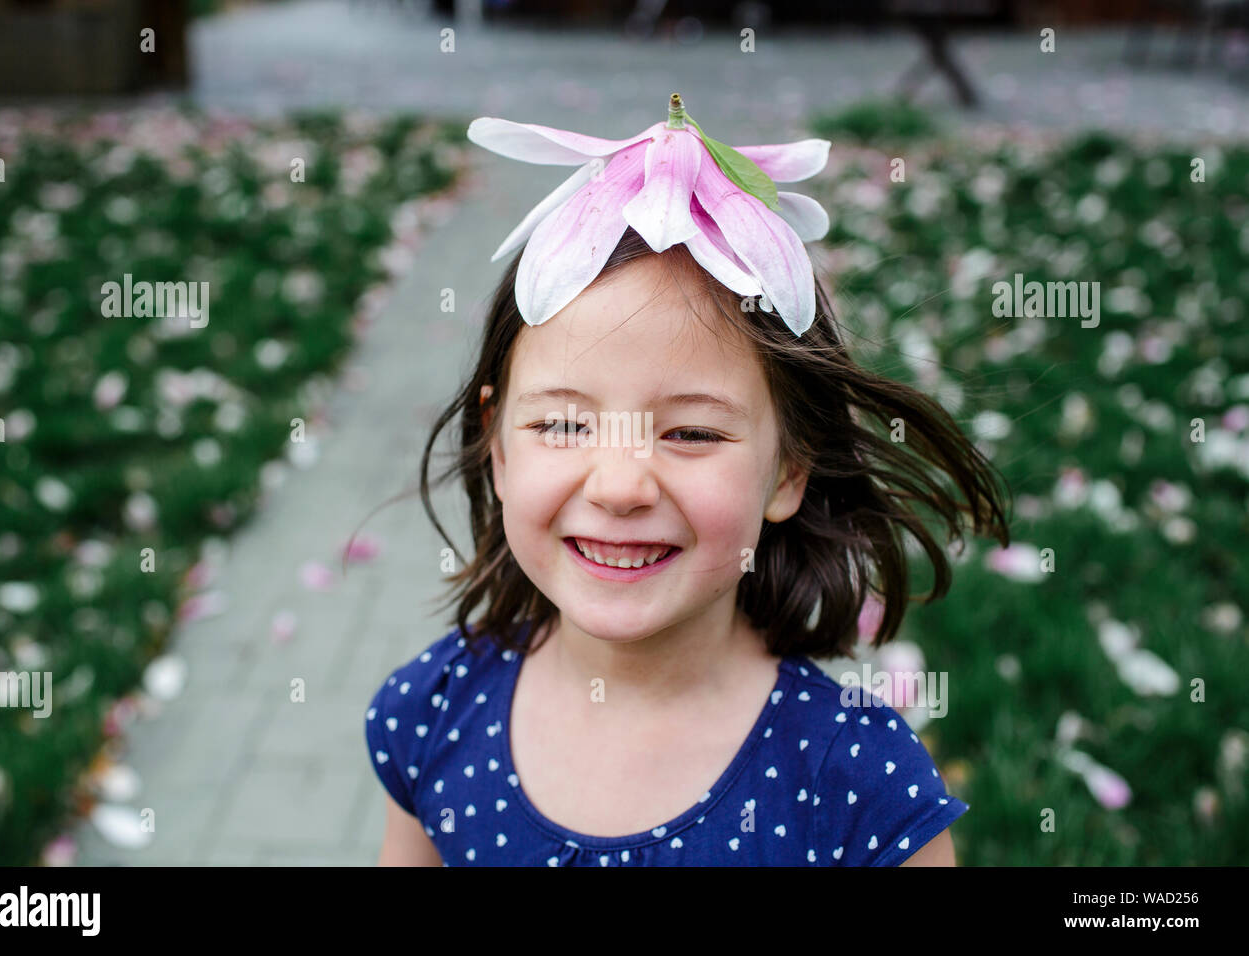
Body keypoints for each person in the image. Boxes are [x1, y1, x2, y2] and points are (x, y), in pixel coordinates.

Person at [364, 94, 1010, 866]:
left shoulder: (858, 787)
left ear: (788, 470)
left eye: (692, 432)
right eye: (564, 424)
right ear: (499, 447)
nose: (620, 485)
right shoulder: (434, 714)